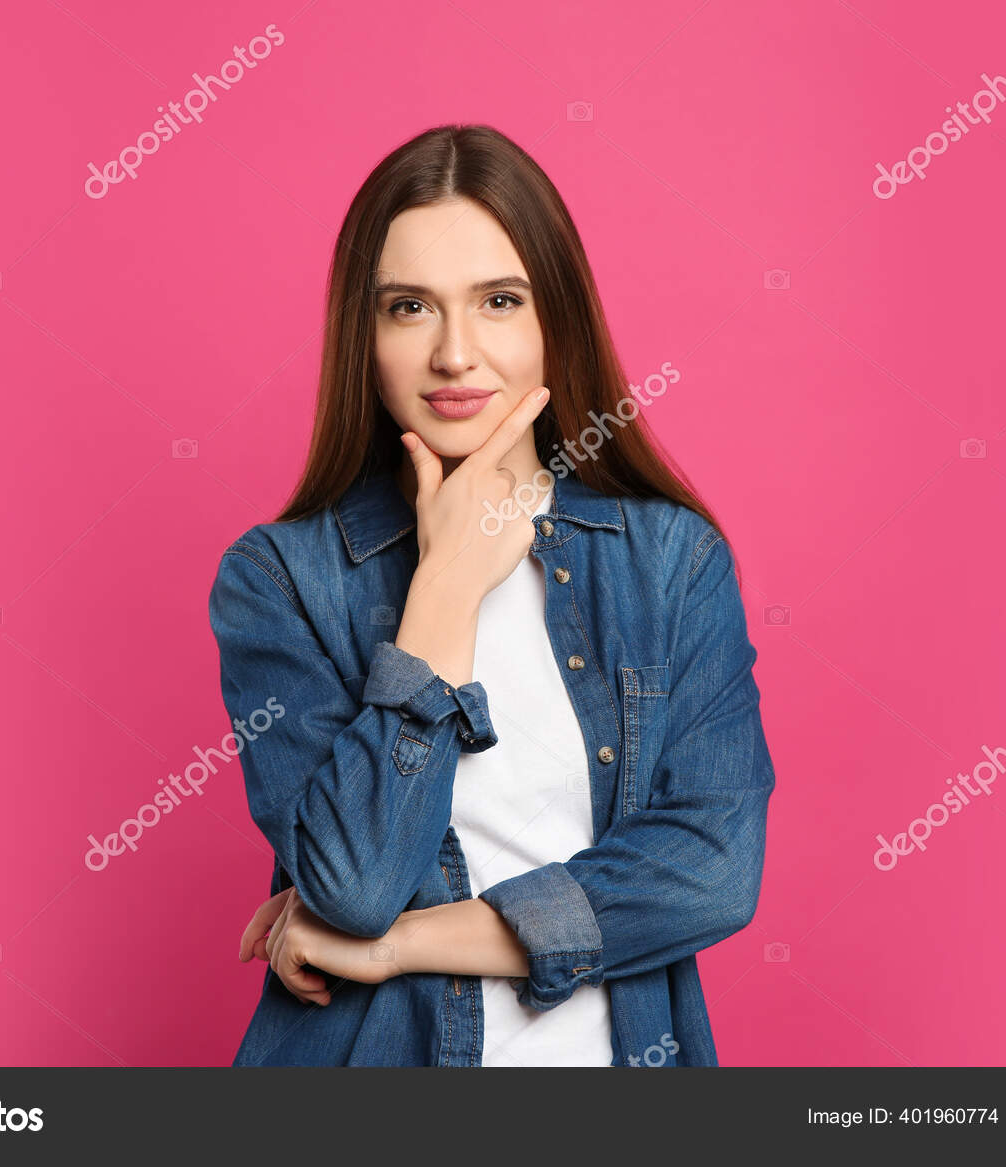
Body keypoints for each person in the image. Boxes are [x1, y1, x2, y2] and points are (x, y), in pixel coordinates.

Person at [208, 124, 775, 1066]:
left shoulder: (670, 560)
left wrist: (399, 946)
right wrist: (445, 590)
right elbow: (354, 883)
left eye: (499, 300)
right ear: (367, 333)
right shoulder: (283, 580)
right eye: (409, 307)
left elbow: (713, 871)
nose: (455, 353)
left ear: (554, 317)